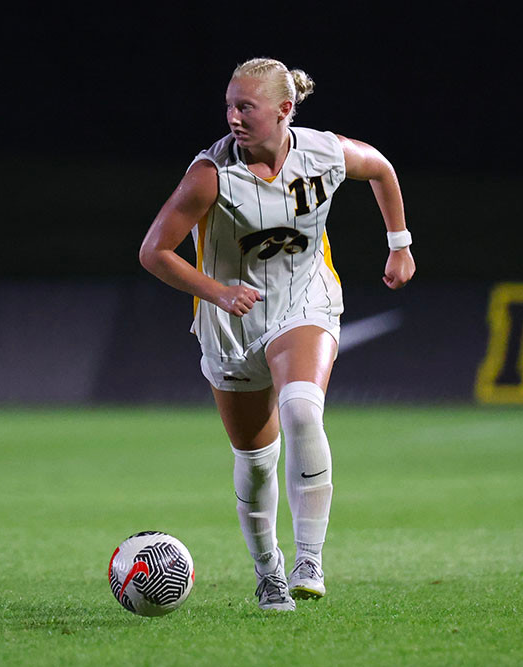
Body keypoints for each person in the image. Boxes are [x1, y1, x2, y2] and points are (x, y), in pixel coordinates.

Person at [139, 57, 415, 611]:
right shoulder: (210, 175)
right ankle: (268, 572)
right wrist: (217, 292)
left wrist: (400, 242)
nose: (233, 117)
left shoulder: (324, 151)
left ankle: (308, 558)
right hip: (230, 324)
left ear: (285, 110)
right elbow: (153, 252)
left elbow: (381, 168)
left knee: (302, 409)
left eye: (247, 107)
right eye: (229, 106)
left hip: (304, 301)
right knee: (257, 457)